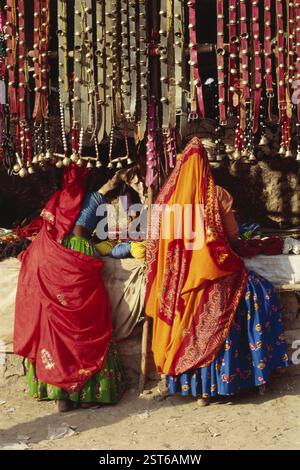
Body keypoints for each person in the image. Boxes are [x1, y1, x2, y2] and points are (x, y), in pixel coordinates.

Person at [145, 137, 289, 404]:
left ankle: (189, 385)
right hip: (217, 274)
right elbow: (234, 239)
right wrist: (251, 245)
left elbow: (155, 242)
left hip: (178, 282)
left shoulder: (163, 201)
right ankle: (212, 389)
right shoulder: (218, 196)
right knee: (261, 294)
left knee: (188, 326)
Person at [14, 165, 133, 412]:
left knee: (55, 328)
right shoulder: (90, 198)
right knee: (87, 326)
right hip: (78, 255)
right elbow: (107, 189)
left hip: (54, 258)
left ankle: (61, 396)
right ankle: (90, 394)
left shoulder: (54, 203)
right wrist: (119, 178)